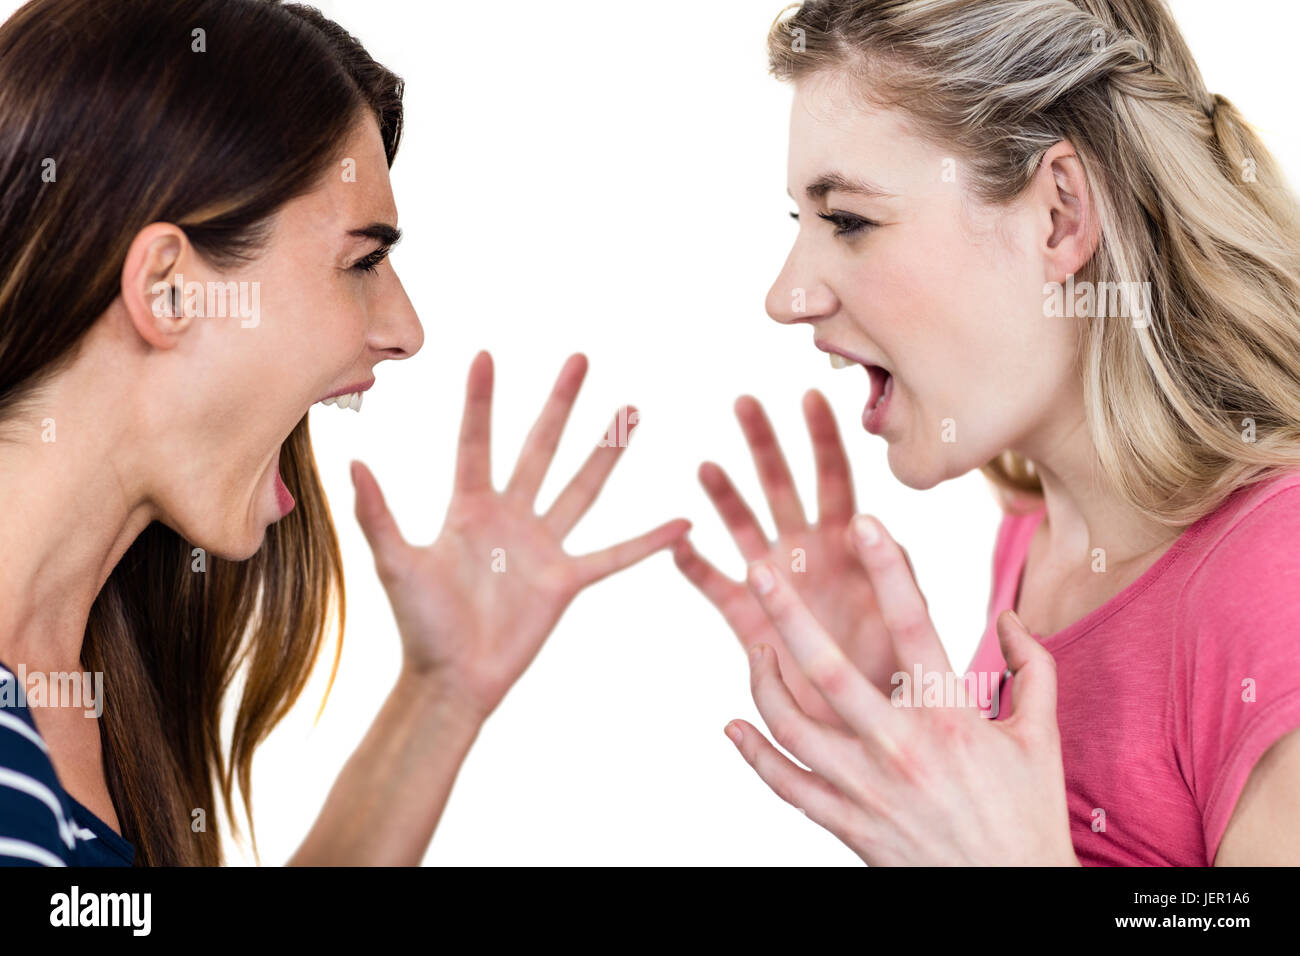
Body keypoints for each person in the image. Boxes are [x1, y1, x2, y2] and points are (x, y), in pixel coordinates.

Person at [0, 0, 687, 866]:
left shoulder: (78, 688)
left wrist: (440, 697)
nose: (405, 327)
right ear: (171, 289)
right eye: (362, 261)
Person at [670, 0, 1300, 865]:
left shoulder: (1279, 578)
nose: (787, 296)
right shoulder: (1038, 535)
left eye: (847, 219)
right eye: (801, 223)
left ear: (1060, 215)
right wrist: (904, 698)